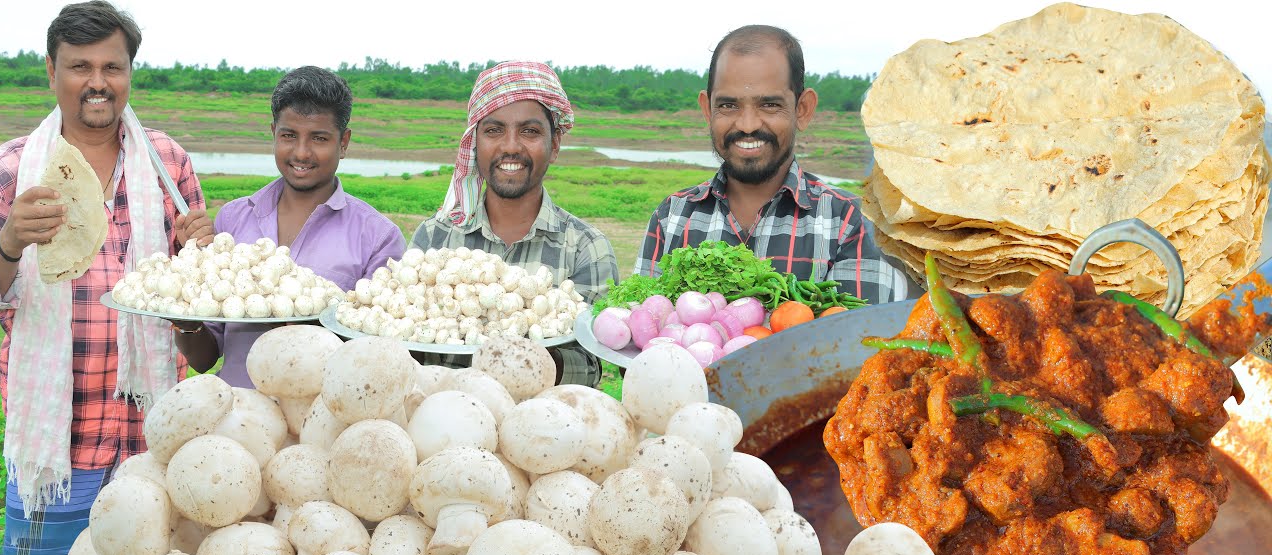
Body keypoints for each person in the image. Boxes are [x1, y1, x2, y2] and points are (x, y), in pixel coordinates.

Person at [0, 1, 214, 555]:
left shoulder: (167, 164)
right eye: (79, 66)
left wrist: (198, 263)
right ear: (51, 71)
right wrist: (10, 240)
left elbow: (194, 319)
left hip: (149, 451)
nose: (97, 83)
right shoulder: (14, 169)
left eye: (112, 67)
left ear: (129, 73)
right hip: (54, 458)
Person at [632, 25, 913, 305]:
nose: (748, 124)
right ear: (708, 110)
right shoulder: (672, 216)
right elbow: (646, 324)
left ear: (802, 110)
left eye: (769, 105)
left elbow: (855, 340)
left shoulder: (851, 222)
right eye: (728, 105)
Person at [174, 66, 405, 388]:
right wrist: (183, 309)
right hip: (238, 419)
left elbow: (375, 358)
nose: (301, 153)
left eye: (319, 138)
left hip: (324, 422)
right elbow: (204, 359)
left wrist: (300, 319)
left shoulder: (379, 238)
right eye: (289, 136)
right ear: (273, 132)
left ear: (344, 142)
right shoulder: (232, 220)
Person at [410, 60, 618, 386]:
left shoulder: (586, 248)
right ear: (474, 142)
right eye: (494, 130)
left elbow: (592, 365)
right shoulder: (434, 238)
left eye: (530, 131)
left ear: (555, 146)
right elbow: (406, 344)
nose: (510, 147)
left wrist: (524, 365)